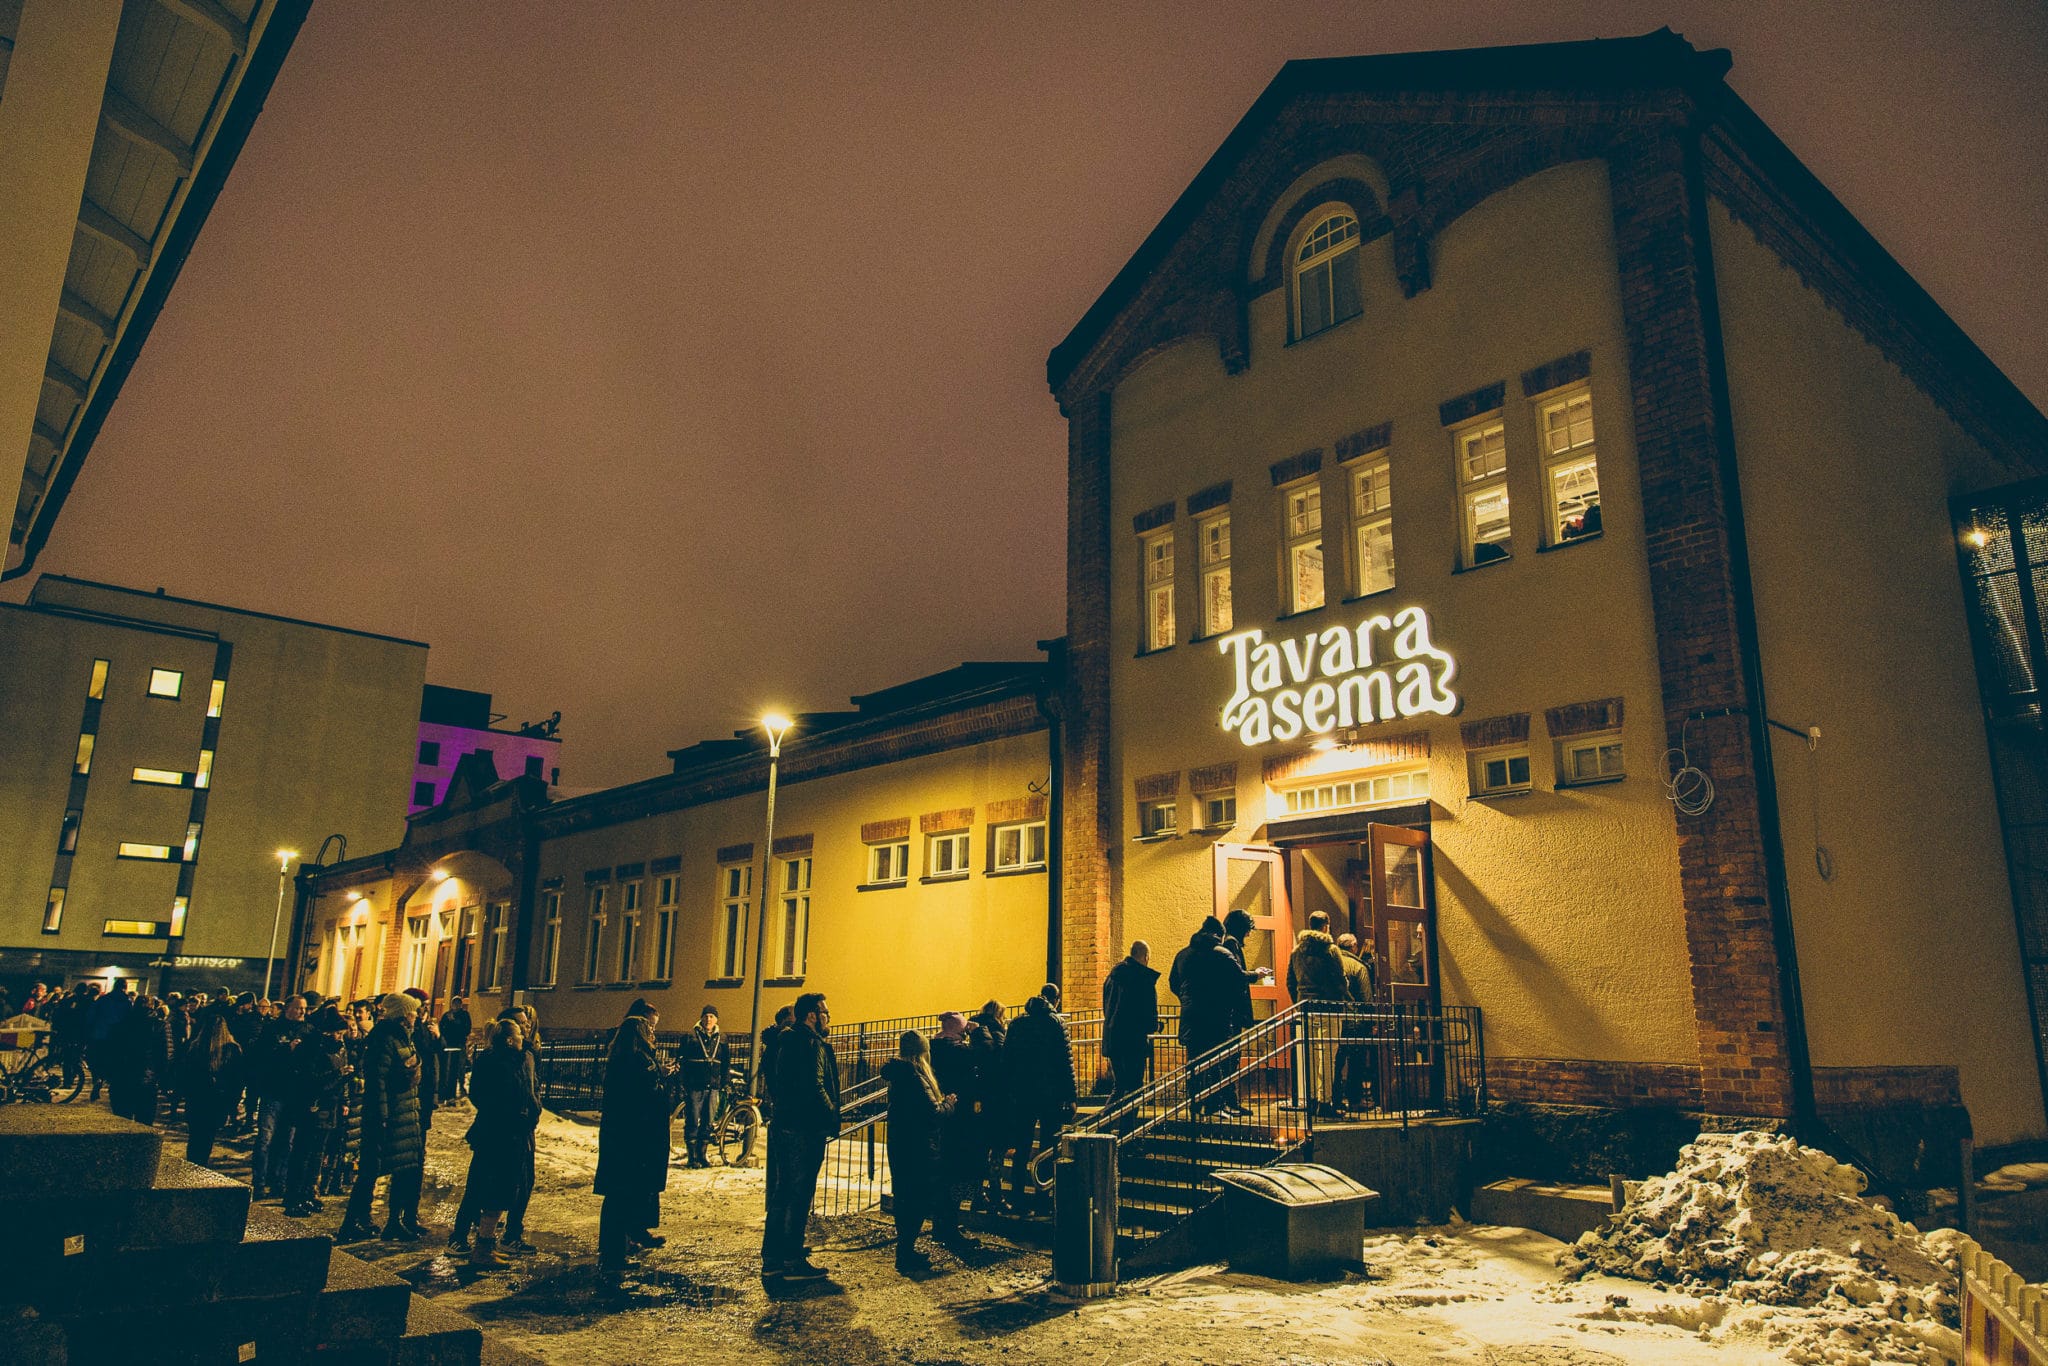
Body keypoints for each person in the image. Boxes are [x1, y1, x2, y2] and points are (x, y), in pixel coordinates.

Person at [595, 999, 678, 1283]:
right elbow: (646, 1099)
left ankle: (618, 1251)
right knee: (620, 1198)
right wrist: (661, 1079)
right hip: (631, 1142)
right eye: (650, 1030)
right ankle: (612, 1258)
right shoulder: (637, 1062)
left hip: (625, 1141)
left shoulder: (626, 1059)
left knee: (621, 1198)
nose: (653, 1035)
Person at [337, 993, 427, 1243]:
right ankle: (353, 1221)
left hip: (405, 1113)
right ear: (402, 1014)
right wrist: (382, 1115)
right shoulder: (385, 1039)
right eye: (412, 1012)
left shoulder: (403, 1037)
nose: (416, 1016)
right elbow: (378, 1081)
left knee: (403, 1168)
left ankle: (393, 1221)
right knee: (370, 1169)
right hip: (389, 1115)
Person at [762, 992, 839, 1283]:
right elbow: (816, 1086)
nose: (828, 1017)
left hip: (786, 1123)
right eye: (825, 1012)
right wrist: (832, 1115)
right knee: (798, 1195)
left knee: (783, 1194)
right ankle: (791, 1259)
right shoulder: (811, 1044)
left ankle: (774, 1258)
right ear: (812, 1015)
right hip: (805, 1129)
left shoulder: (786, 1041)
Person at [460, 1017, 541, 1268]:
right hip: (499, 1135)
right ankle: (481, 1249)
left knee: (505, 1191)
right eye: (518, 1034)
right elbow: (485, 1096)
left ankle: (487, 1245)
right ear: (508, 1039)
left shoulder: (518, 1059)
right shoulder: (494, 1062)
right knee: (493, 1191)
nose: (522, 1037)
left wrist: (532, 1110)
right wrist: (510, 1114)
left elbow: (528, 1092)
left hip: (515, 1134)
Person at [882, 1030, 954, 1273]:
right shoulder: (916, 1077)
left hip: (901, 1146)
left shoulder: (899, 1077)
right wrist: (948, 1104)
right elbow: (932, 1114)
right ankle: (905, 1254)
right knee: (917, 1201)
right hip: (919, 1148)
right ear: (921, 1053)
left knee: (906, 1200)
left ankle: (905, 1251)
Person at [1000, 988, 1076, 1210]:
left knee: (1021, 1147)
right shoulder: (1055, 1022)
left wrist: (1010, 1090)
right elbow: (1065, 1062)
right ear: (1056, 1000)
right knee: (1047, 1147)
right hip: (1049, 1095)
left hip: (1023, 1094)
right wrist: (1070, 1096)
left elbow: (1007, 1060)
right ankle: (1043, 1198)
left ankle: (1016, 1197)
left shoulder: (1016, 1023)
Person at [1172, 916, 1249, 1116]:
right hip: (1216, 1016)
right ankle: (1215, 1105)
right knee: (1217, 1061)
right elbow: (1239, 978)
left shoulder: (1183, 954)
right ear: (1219, 935)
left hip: (1190, 1017)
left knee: (1194, 1062)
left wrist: (1187, 999)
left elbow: (1174, 982)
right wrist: (1257, 975)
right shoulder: (1222, 953)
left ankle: (1195, 1104)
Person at [283, 1007, 351, 1218]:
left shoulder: (339, 1048)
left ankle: (307, 1194)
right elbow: (311, 1080)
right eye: (337, 1032)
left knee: (317, 1154)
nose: (340, 1036)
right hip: (312, 1106)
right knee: (303, 1152)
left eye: (342, 1032)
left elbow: (340, 1079)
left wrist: (344, 1097)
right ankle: (293, 1197)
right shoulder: (313, 1048)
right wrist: (338, 1074)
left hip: (330, 1106)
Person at [1287, 911, 1349, 1117]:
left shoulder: (1297, 951)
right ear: (1326, 926)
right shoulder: (1331, 950)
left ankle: (1311, 1100)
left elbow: (1290, 982)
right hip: (1329, 1008)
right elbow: (1340, 979)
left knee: (1310, 1056)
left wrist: (1299, 1001)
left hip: (1305, 1009)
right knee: (1327, 1057)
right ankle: (1326, 1102)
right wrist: (1340, 995)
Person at [927, 1012, 980, 1245]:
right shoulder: (960, 1052)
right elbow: (987, 1057)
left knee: (944, 1178)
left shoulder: (931, 1051)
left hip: (941, 1122)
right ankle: (948, 1229)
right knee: (955, 1176)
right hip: (959, 1122)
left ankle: (942, 1226)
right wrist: (978, 1032)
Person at [249, 995, 308, 1200]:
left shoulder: (307, 1031)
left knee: (287, 1141)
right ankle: (258, 1181)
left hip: (294, 1093)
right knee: (265, 1138)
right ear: (287, 1009)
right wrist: (286, 1049)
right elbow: (260, 1056)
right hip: (273, 1090)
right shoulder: (272, 1029)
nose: (302, 1012)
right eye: (298, 1008)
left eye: (304, 1008)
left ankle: (279, 1181)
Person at [179, 1013, 243, 1167]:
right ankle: (200, 1167)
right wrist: (233, 1104)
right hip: (217, 1101)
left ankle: (192, 1166)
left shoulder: (194, 1047)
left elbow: (185, 1074)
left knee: (194, 1137)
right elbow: (237, 1080)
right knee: (208, 1138)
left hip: (196, 1099)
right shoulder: (232, 1049)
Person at [1102, 941, 1160, 1105]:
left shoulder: (1113, 976)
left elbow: (1106, 1006)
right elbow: (1148, 1016)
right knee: (1135, 1088)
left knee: (1119, 1086)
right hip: (1133, 1041)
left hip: (1113, 1038)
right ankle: (1127, 1129)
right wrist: (1155, 1026)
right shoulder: (1143, 978)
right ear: (1146, 956)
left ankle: (1104, 1123)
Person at [678, 1006, 730, 1168]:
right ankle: (692, 1156)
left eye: (712, 1016)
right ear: (701, 1018)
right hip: (695, 1085)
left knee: (708, 1121)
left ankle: (702, 1155)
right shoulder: (690, 1037)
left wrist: (725, 1082)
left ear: (716, 1019)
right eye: (706, 1016)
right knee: (692, 1120)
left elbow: (726, 1063)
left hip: (713, 1085)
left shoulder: (722, 1038)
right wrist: (683, 1083)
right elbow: (683, 1062)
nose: (708, 1019)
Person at [107, 994, 170, 1126]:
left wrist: (108, 1074)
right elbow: (164, 1054)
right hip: (146, 1079)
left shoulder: (121, 1023)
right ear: (152, 1006)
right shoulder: (159, 1025)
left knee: (122, 1122)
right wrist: (164, 1078)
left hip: (121, 1077)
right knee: (144, 1124)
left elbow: (111, 1050)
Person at [968, 1001, 1007, 1209]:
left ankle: (977, 1195)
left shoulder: (973, 1033)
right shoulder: (996, 1032)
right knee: (997, 1151)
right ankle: (996, 1196)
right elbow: (1002, 1059)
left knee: (980, 1149)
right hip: (997, 1098)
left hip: (979, 1098)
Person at [1334, 932, 1378, 1112]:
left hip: (1334, 1020)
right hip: (1355, 1021)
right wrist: (1372, 1021)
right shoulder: (1358, 967)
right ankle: (1355, 1100)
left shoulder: (1331, 964)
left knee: (1335, 1062)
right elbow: (1366, 999)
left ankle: (1334, 1099)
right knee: (1356, 1062)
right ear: (1353, 947)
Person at [438, 996, 473, 1102]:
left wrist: (455, 1022)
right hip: (448, 1044)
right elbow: (441, 1027)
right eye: (454, 1004)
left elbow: (467, 1028)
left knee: (460, 1067)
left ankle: (461, 1087)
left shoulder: (464, 1015)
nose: (456, 1006)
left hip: (459, 1043)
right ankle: (447, 1089)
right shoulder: (447, 1015)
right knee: (448, 1067)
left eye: (458, 1004)